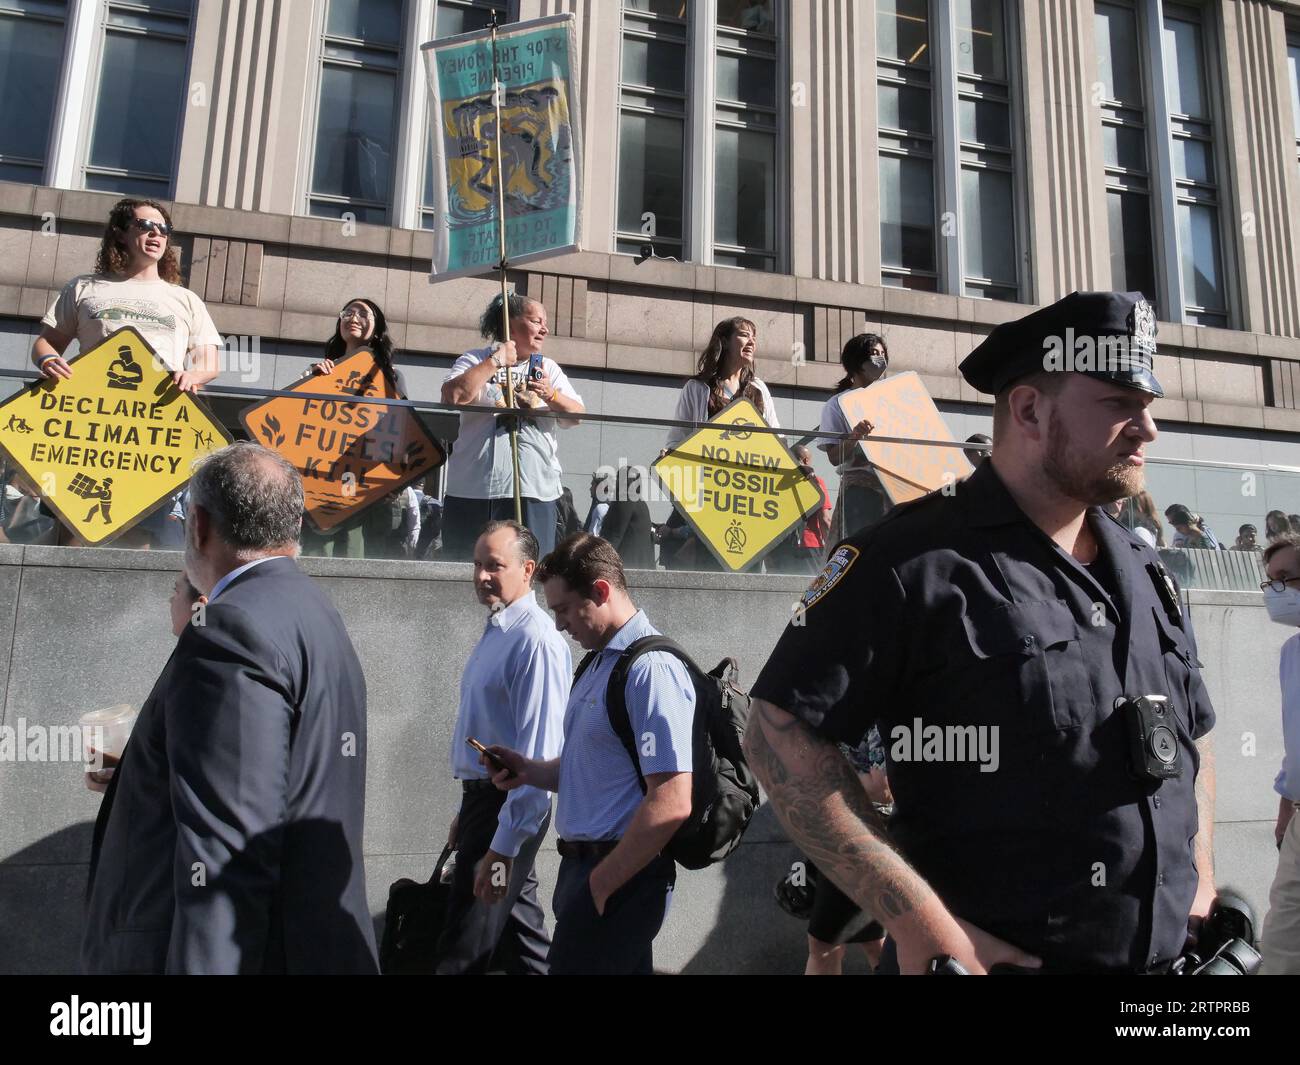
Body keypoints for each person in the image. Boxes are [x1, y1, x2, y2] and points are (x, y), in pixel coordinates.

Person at [744, 291, 1218, 975]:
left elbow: (1192, 729)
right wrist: (918, 923)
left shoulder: (1148, 570)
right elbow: (772, 732)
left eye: (1147, 405)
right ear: (1028, 409)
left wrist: (1200, 876)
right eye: (1119, 402)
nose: (1148, 429)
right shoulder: (912, 559)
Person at [82, 442, 378, 974]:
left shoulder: (229, 626)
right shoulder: (315, 611)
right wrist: (152, 766)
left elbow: (228, 851)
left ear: (197, 525)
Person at [485, 534, 694, 974]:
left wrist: (603, 883)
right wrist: (528, 771)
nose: (559, 624)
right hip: (588, 872)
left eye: (563, 608)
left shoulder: (652, 670)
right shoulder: (598, 663)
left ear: (601, 591)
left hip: (619, 875)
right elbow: (591, 767)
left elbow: (672, 799)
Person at [33, 198, 222, 548]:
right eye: (144, 225)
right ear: (120, 234)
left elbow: (209, 362)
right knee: (76, 526)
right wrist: (47, 362)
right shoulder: (84, 288)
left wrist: (193, 376)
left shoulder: (184, 299)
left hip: (154, 429)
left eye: (163, 229)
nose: (156, 233)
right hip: (89, 425)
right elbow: (46, 343)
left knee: (141, 530)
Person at [437, 521, 570, 975]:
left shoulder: (535, 641)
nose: (481, 576)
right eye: (477, 564)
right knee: (521, 939)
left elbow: (539, 753)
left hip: (505, 807)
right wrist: (467, 809)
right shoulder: (499, 629)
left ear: (528, 569)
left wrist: (503, 844)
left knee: (463, 951)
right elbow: (489, 727)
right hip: (487, 805)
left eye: (494, 565)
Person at [441, 293, 585, 560]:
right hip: (474, 490)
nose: (545, 329)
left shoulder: (547, 368)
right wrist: (496, 361)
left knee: (531, 568)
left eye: (545, 323)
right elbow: (454, 397)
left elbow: (576, 415)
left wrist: (550, 395)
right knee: (465, 566)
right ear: (511, 324)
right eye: (536, 321)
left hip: (534, 490)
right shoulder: (475, 359)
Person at [658, 317, 780, 568]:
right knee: (707, 562)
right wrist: (671, 455)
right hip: (710, 496)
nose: (752, 341)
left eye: (754, 337)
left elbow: (776, 439)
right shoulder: (698, 387)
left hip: (748, 496)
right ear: (724, 340)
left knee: (747, 564)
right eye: (744, 335)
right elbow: (677, 439)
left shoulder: (758, 389)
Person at [300, 298, 407, 559]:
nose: (353, 317)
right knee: (318, 560)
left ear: (377, 327)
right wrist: (313, 381)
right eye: (348, 312)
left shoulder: (391, 376)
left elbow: (399, 431)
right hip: (324, 489)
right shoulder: (318, 371)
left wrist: (396, 479)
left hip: (367, 492)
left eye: (363, 313)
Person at [85, 574, 209, 794]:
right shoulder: (191, 658)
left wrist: (127, 783)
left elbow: (196, 773)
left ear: (200, 606)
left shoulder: (202, 670)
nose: (170, 600)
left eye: (176, 591)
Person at [1259, 535, 1300, 974]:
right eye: (1270, 581)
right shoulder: (1291, 652)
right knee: (1282, 950)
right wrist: (1285, 807)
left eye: (1286, 579)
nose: (1276, 591)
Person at [818, 333, 891, 541]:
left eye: (883, 353)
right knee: (861, 549)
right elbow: (834, 457)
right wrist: (855, 436)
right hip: (861, 491)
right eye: (874, 353)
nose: (880, 359)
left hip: (895, 487)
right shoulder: (838, 404)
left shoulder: (893, 401)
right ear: (857, 360)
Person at [599, 466, 655, 571]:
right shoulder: (638, 501)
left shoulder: (626, 500)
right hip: (640, 565)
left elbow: (616, 534)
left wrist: (601, 560)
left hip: (627, 565)